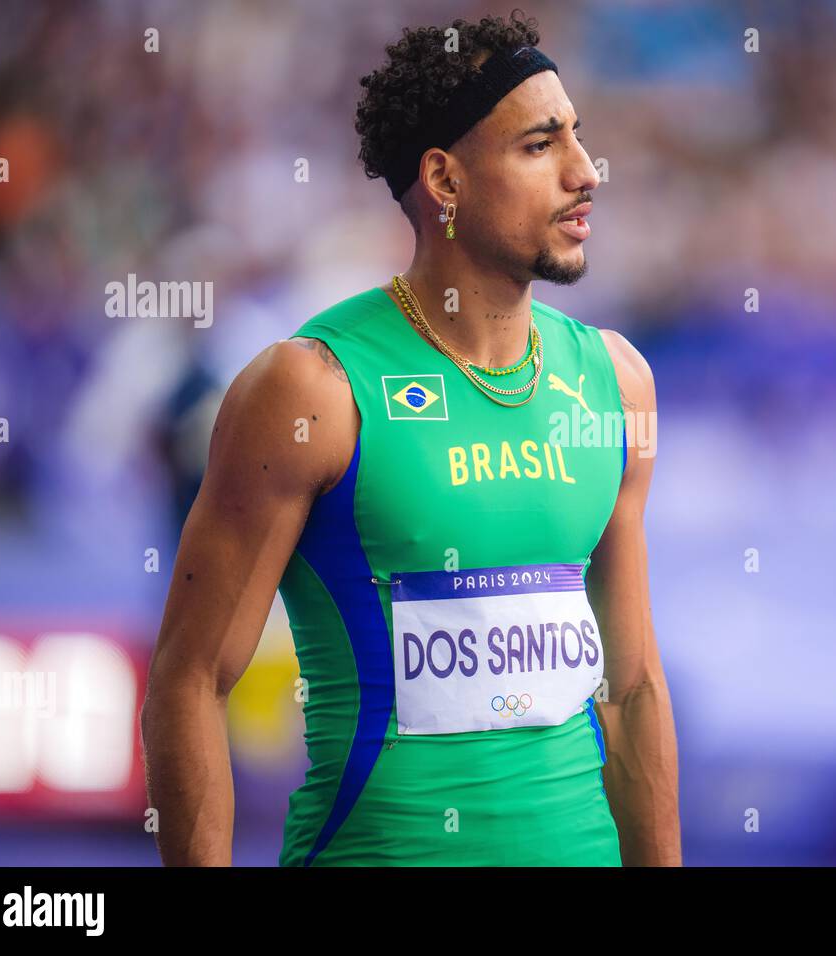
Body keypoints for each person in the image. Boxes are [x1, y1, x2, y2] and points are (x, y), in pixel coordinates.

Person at [142, 10, 680, 866]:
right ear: (445, 179)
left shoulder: (614, 382)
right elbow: (189, 681)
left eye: (579, 138)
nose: (586, 173)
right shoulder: (312, 390)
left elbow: (635, 692)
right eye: (541, 147)